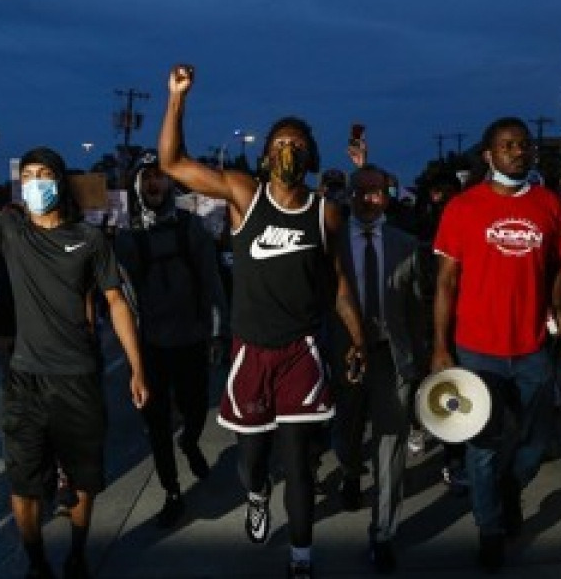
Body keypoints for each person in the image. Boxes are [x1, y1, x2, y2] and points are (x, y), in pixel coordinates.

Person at [0, 99, 148, 579]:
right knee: (23, 483)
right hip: (24, 383)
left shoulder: (89, 239)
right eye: (29, 175)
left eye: (44, 174)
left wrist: (137, 369)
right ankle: (37, 561)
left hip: (78, 379)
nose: (35, 182)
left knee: (84, 479)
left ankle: (79, 553)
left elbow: (117, 304)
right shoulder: (10, 231)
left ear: (59, 183)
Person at [159, 63, 367, 579]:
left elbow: (340, 284)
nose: (287, 151)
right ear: (265, 154)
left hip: (301, 350)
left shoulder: (326, 214)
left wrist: (358, 338)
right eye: (278, 144)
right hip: (250, 350)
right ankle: (256, 495)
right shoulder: (243, 195)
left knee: (297, 462)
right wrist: (176, 97)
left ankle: (301, 555)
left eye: (296, 144)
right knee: (252, 458)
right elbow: (172, 161)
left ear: (310, 157)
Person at [431, 117, 561, 572]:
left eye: (524, 144)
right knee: (482, 448)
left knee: (537, 439)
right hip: (476, 349)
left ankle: (512, 488)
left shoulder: (550, 205)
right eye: (507, 145)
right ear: (488, 154)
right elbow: (446, 282)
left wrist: (555, 304)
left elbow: (558, 268)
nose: (518, 151)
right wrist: (440, 346)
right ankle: (489, 527)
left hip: (531, 348)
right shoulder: (463, 208)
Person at [114, 154, 227, 528]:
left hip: (191, 338)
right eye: (147, 177)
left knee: (195, 410)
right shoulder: (128, 237)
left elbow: (212, 281)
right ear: (137, 184)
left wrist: (216, 331)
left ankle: (191, 442)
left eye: (161, 177)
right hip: (151, 346)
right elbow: (122, 297)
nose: (154, 184)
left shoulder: (191, 228)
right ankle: (172, 490)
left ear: (171, 183)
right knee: (157, 423)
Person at [326, 163, 420, 573]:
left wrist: (421, 356)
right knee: (346, 429)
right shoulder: (330, 243)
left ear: (388, 194)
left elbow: (417, 306)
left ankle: (384, 532)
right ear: (348, 195)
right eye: (361, 192)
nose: (368, 200)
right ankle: (348, 471)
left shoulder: (406, 244)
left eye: (376, 192)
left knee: (390, 440)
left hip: (390, 354)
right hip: (345, 352)